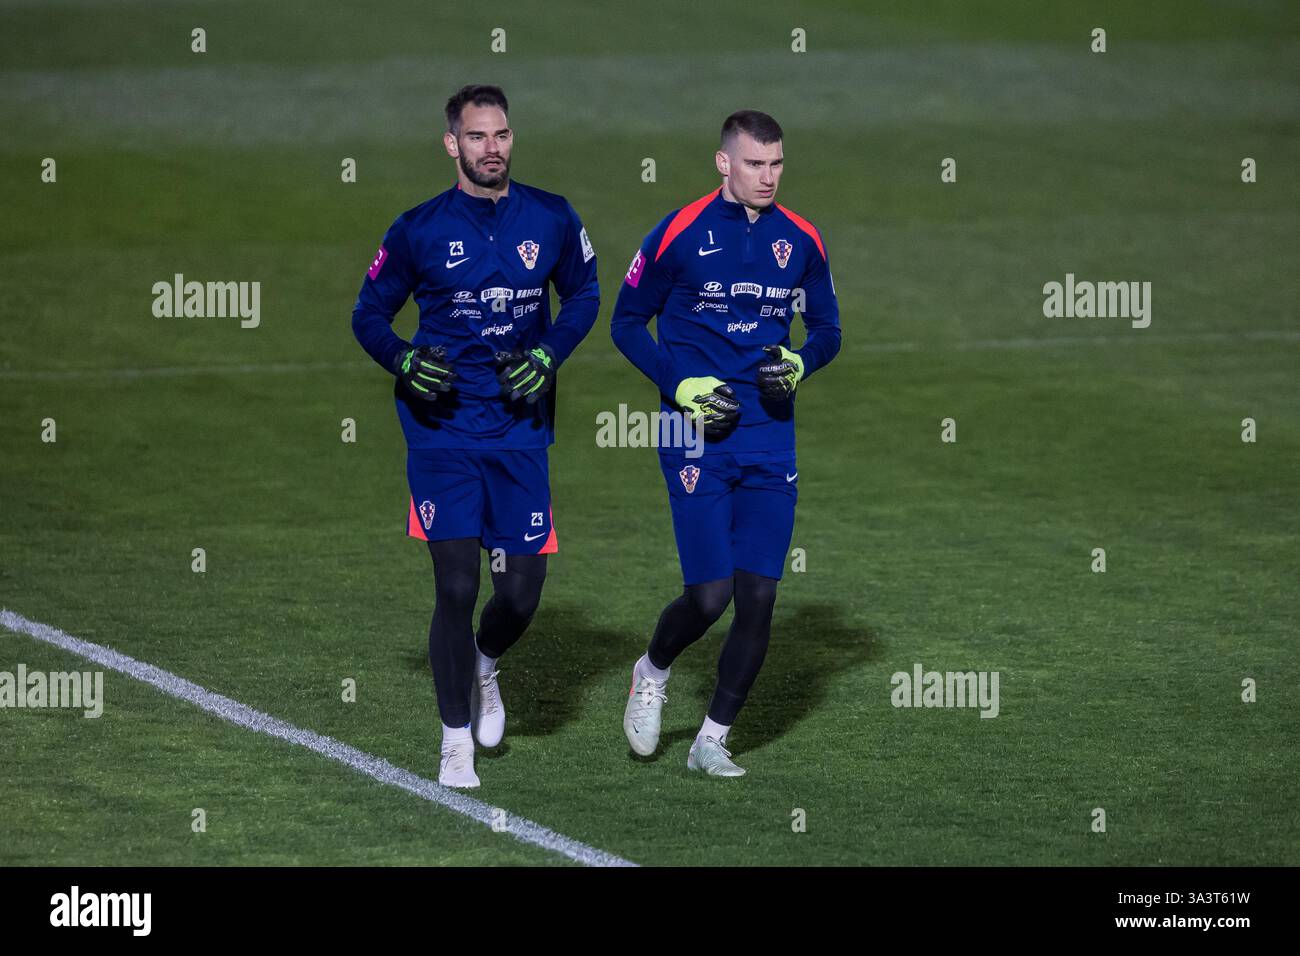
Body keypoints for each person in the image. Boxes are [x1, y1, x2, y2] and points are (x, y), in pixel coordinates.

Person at [352, 84, 599, 788]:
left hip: (520, 432)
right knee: (456, 586)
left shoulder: (550, 217)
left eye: (502, 135)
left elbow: (584, 294)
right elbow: (368, 312)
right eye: (477, 137)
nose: (492, 149)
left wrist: (549, 355)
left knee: (521, 593)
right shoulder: (417, 229)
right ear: (451, 145)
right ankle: (453, 740)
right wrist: (402, 359)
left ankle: (485, 664)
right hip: (443, 433)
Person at [610, 109, 840, 777]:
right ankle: (651, 670)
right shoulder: (678, 232)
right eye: (754, 164)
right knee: (710, 596)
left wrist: (801, 362)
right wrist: (680, 387)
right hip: (692, 429)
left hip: (770, 433)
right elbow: (626, 324)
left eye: (776, 165)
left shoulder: (800, 240)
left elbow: (827, 330)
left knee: (761, 596)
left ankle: (712, 738)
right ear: (723, 163)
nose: (767, 177)